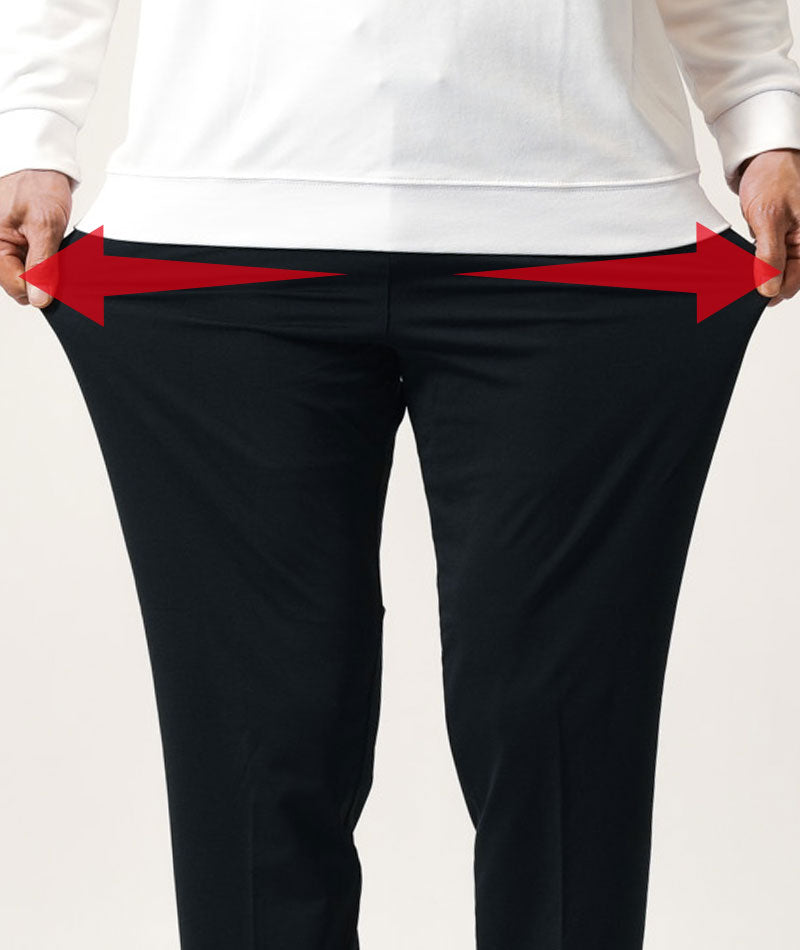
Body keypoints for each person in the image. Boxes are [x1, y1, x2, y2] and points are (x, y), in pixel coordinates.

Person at [1, 1, 799, 948]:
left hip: (589, 216)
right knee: (258, 743)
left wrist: (761, 116)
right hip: (215, 215)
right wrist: (32, 128)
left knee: (560, 735)